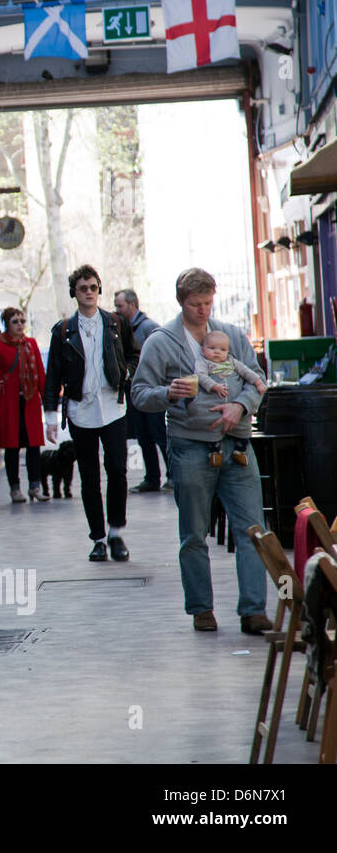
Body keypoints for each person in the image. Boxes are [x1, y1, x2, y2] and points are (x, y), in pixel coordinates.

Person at [131, 268, 271, 634]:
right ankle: (201, 608)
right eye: (196, 304)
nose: (203, 311)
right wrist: (168, 393)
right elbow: (139, 394)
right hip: (190, 447)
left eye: (208, 302)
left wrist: (240, 406)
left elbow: (258, 380)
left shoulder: (232, 336)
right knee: (194, 533)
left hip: (237, 444)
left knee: (252, 529)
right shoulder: (160, 342)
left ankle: (254, 609)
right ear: (182, 302)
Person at [45, 265, 140, 562]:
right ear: (74, 292)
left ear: (99, 289)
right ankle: (97, 538)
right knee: (88, 478)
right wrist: (50, 415)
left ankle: (116, 533)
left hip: (113, 407)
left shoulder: (116, 323)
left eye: (94, 287)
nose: (89, 292)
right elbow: (53, 375)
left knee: (118, 471)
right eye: (83, 287)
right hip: (80, 411)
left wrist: (127, 371)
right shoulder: (62, 331)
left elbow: (135, 354)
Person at [0, 306, 49, 503]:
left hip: (30, 402)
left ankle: (35, 487)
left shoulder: (31, 344)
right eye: (15, 321)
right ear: (6, 324)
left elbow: (40, 372)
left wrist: (49, 400)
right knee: (12, 447)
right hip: (7, 403)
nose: (20, 325)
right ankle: (15, 489)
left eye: (22, 321)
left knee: (34, 445)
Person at [114, 288, 170, 493]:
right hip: (133, 390)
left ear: (132, 305)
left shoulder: (149, 327)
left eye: (120, 306)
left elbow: (164, 355)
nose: (117, 310)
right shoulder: (121, 328)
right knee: (142, 435)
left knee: (158, 432)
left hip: (153, 389)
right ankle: (152, 478)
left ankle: (172, 475)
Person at [193, 331, 269, 467]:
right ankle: (215, 452)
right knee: (212, 428)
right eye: (212, 348)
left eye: (222, 350)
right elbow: (201, 376)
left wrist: (258, 383)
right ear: (203, 350)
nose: (217, 352)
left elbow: (247, 372)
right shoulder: (203, 363)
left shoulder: (232, 362)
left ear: (228, 351)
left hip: (235, 410)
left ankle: (240, 451)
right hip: (213, 406)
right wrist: (214, 386)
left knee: (243, 429)